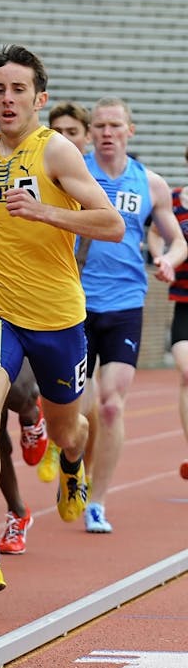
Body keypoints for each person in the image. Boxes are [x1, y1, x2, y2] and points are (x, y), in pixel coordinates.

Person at [0, 44, 124, 593]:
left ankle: (72, 464)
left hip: (57, 314)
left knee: (67, 427)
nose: (7, 99)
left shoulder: (57, 154)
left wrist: (46, 211)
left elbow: (111, 224)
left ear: (38, 98)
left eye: (18, 90)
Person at [78, 97, 186, 533]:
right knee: (75, 406)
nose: (107, 132)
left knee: (110, 408)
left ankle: (96, 501)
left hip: (125, 304)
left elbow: (177, 239)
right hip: (74, 301)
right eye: (99, 125)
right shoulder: (74, 170)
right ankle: (71, 466)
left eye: (114, 125)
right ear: (90, 132)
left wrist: (168, 261)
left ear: (129, 131)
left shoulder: (151, 184)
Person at [0, 84, 46, 557]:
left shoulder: (43, 156)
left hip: (38, 300)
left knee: (22, 395)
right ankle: (16, 512)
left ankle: (36, 416)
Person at [38, 99, 96, 484]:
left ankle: (69, 456)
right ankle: (51, 438)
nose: (63, 140)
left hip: (82, 301)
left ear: (86, 139)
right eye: (56, 132)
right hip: (30, 298)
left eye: (72, 133)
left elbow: (92, 236)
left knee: (96, 403)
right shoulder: (41, 165)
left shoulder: (85, 180)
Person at [150, 154, 188, 480]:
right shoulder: (174, 200)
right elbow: (156, 233)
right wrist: (161, 258)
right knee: (187, 372)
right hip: (185, 302)